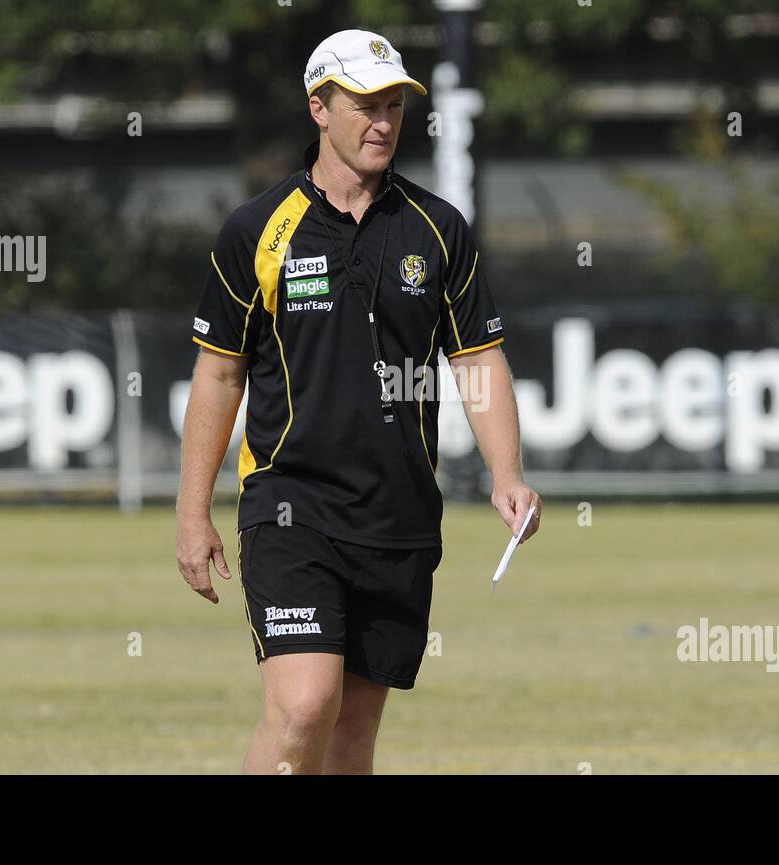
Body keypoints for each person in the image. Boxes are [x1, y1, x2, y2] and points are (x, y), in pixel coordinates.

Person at [174, 29, 542, 774]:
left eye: (394, 107)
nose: (383, 121)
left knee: (351, 739)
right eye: (365, 105)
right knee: (304, 706)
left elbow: (477, 361)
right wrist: (191, 510)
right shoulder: (258, 229)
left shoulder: (438, 229)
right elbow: (218, 375)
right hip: (290, 507)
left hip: (399, 513)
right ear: (319, 107)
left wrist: (508, 473)